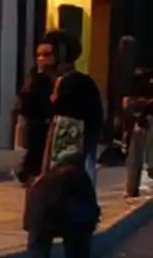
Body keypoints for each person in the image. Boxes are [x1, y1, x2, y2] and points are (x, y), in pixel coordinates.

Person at [24, 105, 99, 257]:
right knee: (78, 241)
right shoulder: (84, 124)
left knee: (39, 242)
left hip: (47, 195)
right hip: (74, 199)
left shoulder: (63, 122)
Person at [43, 30, 104, 181]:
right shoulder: (54, 82)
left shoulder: (76, 83)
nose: (42, 60)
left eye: (48, 54)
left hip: (71, 153)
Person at [15, 39, 58, 183]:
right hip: (35, 123)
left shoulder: (58, 78)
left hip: (50, 123)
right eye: (38, 55)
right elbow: (25, 99)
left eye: (46, 54)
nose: (41, 59)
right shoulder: (32, 76)